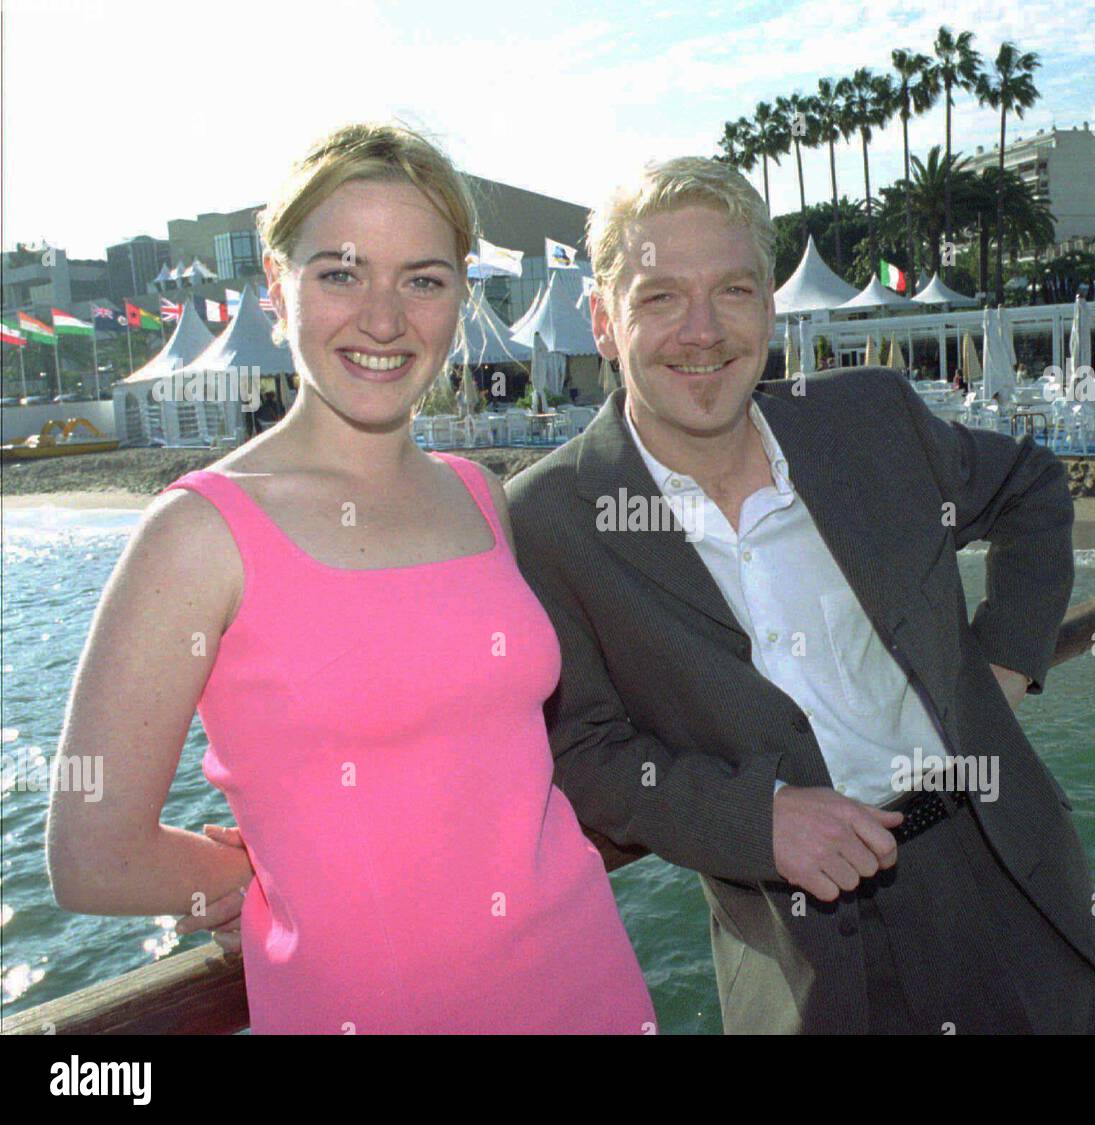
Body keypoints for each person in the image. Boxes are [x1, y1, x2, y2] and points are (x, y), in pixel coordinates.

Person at [46, 122, 654, 1035]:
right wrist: (262, 876)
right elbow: (91, 851)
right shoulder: (201, 534)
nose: (383, 317)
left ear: (458, 296)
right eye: (340, 272)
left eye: (423, 278)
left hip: (586, 985)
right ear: (276, 288)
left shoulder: (479, 497)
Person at [504, 156, 1095, 1034]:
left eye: (734, 290)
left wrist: (1004, 660)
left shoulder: (868, 420)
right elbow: (586, 749)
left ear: (770, 307)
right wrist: (757, 820)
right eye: (660, 297)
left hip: (997, 865)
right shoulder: (551, 520)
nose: (702, 331)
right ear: (603, 321)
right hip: (802, 944)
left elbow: (1031, 486)